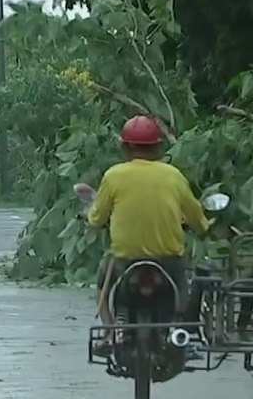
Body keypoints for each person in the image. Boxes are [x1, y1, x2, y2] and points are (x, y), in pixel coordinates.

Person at [84, 115, 210, 353]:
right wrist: (203, 227)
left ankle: (110, 333)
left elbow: (97, 217)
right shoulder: (173, 175)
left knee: (103, 287)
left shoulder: (114, 175)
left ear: (125, 146)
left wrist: (91, 219)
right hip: (168, 259)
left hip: (125, 258)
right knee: (185, 284)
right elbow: (194, 212)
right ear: (158, 147)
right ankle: (179, 329)